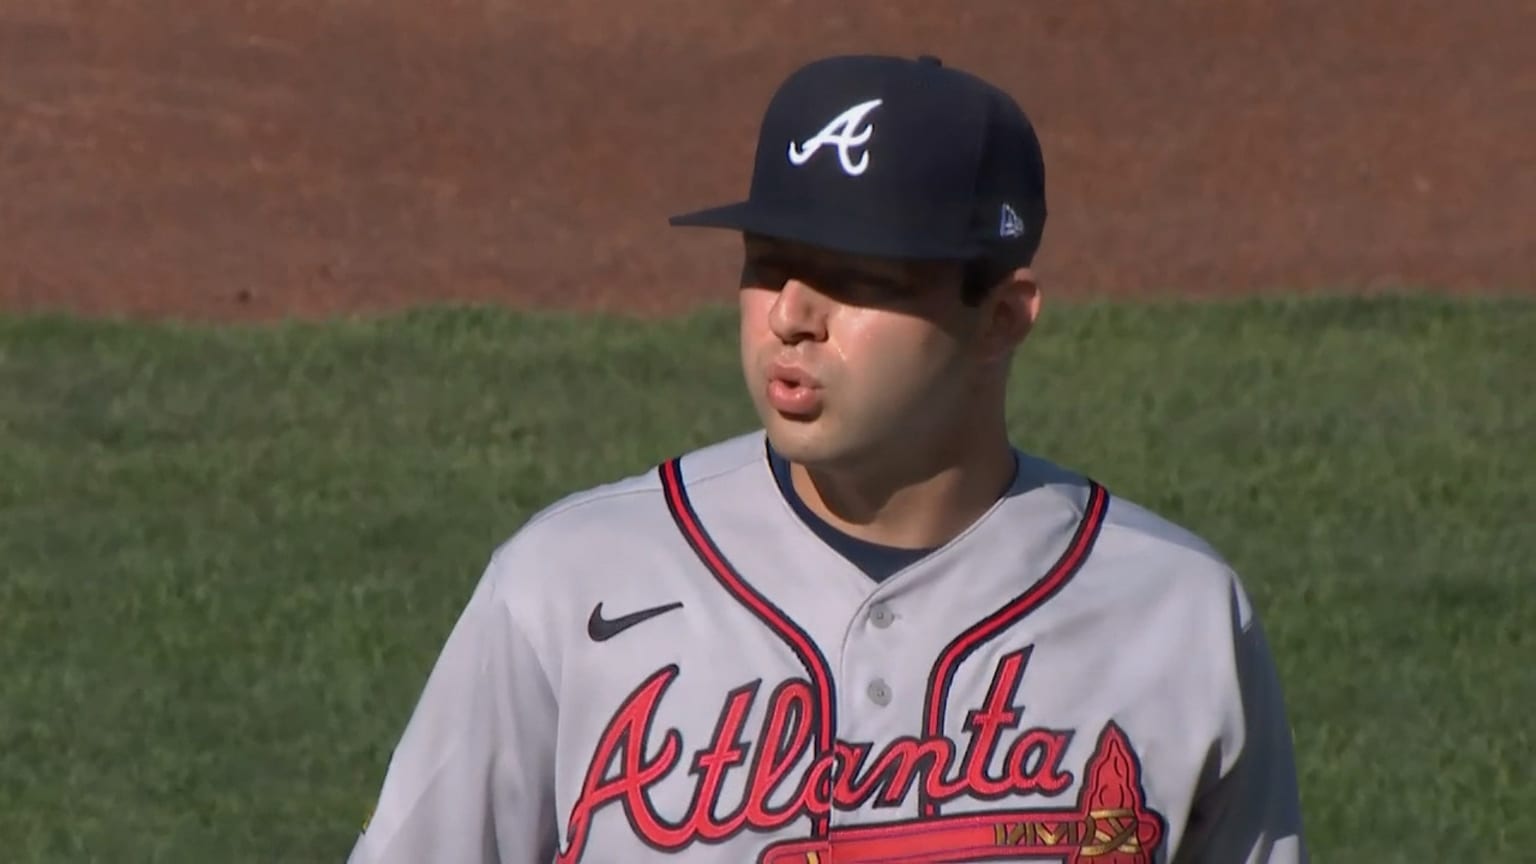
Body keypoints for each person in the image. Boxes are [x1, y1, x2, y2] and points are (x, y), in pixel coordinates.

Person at [346, 53, 1308, 864]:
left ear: (1001, 319)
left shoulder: (1176, 615)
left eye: (859, 278)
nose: (793, 316)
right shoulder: (568, 587)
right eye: (767, 266)